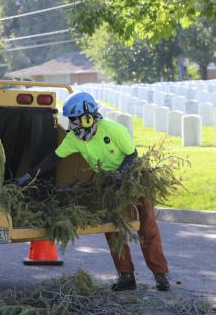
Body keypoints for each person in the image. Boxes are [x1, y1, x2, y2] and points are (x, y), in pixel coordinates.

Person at [16, 91, 170, 292]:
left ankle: (160, 275)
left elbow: (132, 155)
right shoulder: (75, 139)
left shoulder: (114, 130)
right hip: (109, 185)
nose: (71, 125)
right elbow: (53, 159)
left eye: (74, 120)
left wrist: (120, 174)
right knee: (113, 227)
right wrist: (27, 177)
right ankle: (126, 277)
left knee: (147, 226)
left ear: (88, 117)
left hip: (134, 179)